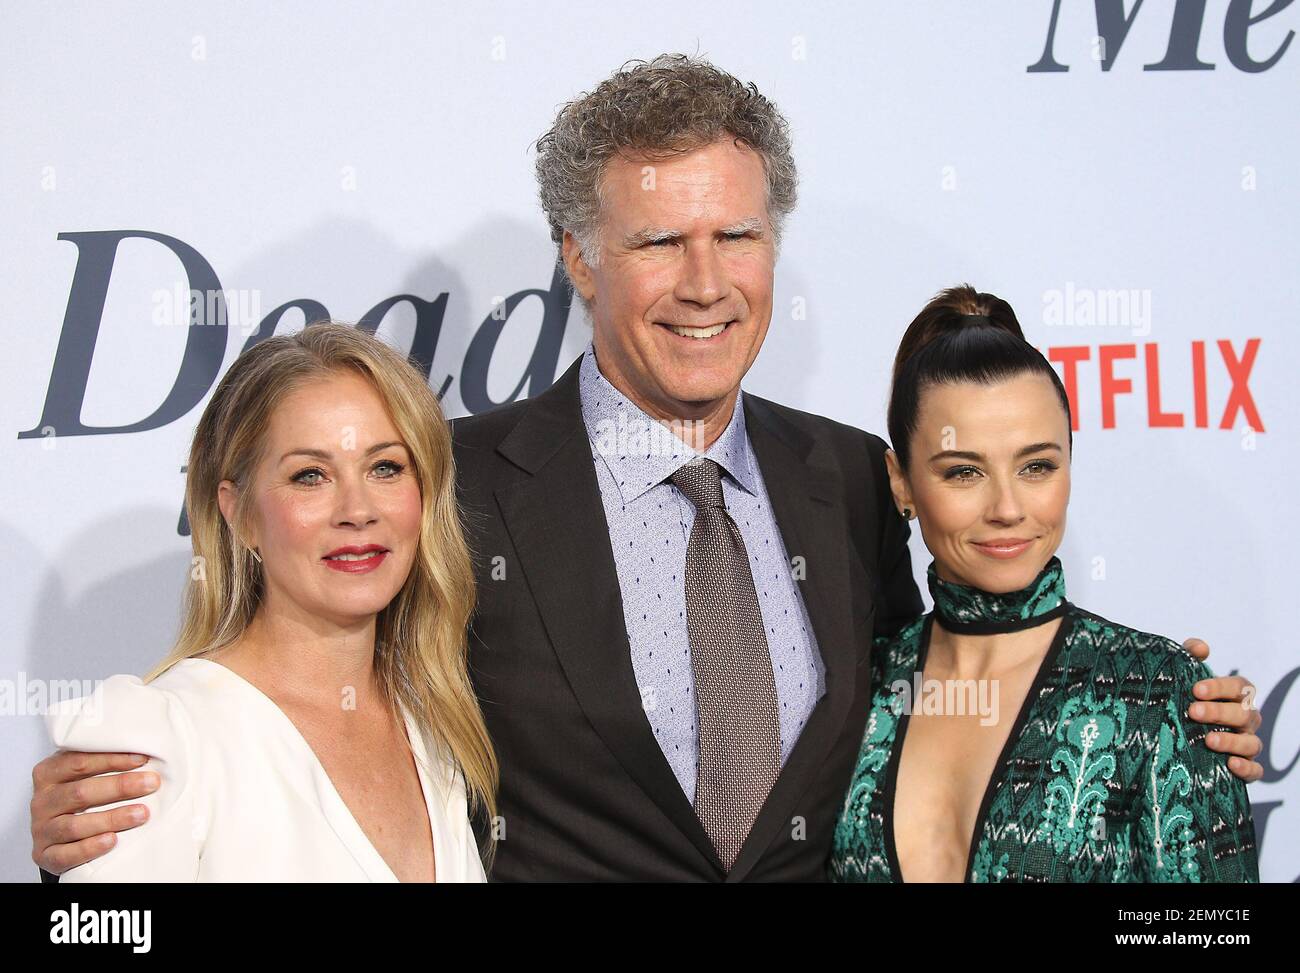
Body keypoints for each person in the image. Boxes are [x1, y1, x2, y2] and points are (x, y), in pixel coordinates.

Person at [31, 55, 1262, 883]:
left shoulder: (844, 480)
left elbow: (942, 683)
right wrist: (115, 825)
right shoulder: (446, 482)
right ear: (577, 256)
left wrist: (1164, 709)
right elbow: (301, 688)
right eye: (659, 240)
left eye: (738, 234)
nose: (706, 281)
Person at [829, 286, 1259, 882]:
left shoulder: (1155, 690)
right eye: (964, 471)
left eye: (1037, 466)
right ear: (901, 484)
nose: (1008, 508)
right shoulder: (860, 691)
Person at [41, 322, 495, 881]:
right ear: (239, 513)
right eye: (310, 476)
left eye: (385, 467)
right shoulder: (168, 740)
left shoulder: (435, 720)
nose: (357, 509)